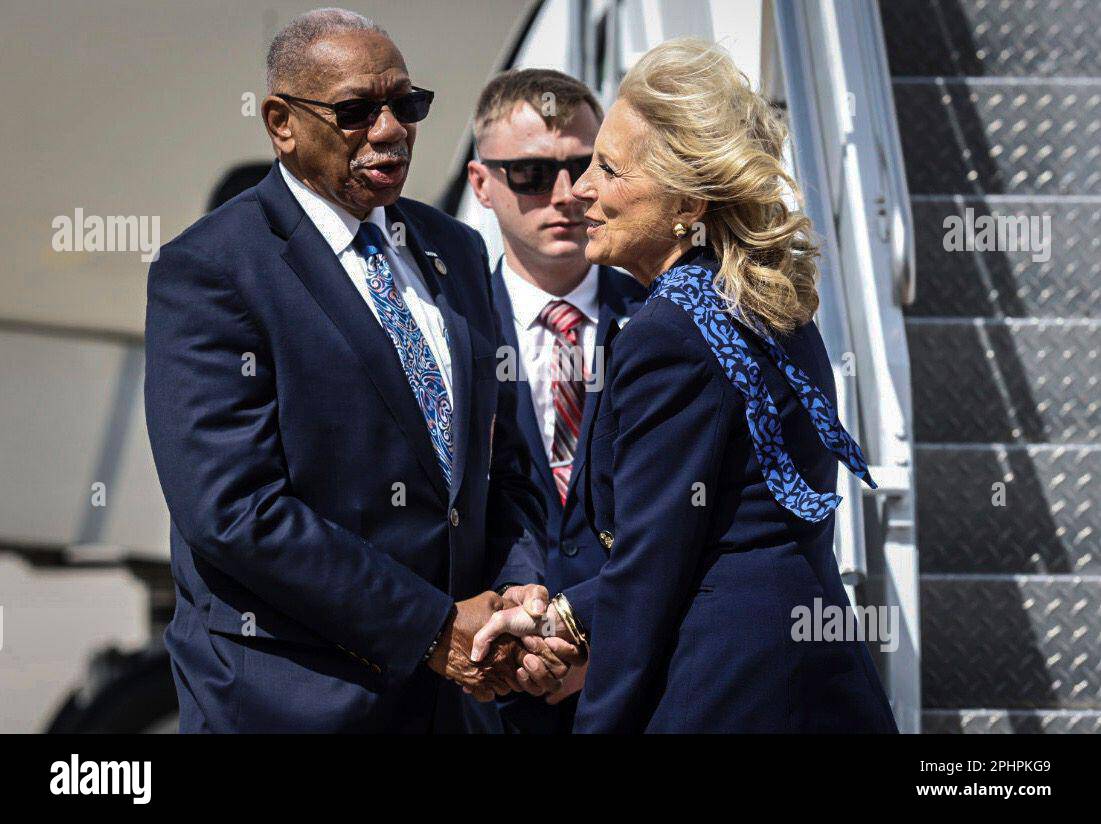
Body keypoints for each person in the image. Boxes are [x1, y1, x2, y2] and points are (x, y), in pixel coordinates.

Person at [144, 7, 566, 733]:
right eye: (355, 111)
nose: (389, 130)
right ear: (280, 122)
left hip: (454, 704)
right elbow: (235, 511)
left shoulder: (454, 250)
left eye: (406, 105)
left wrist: (520, 594)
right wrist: (432, 628)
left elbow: (503, 460)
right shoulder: (212, 270)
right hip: (295, 701)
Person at [473, 38, 899, 733]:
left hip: (724, 687)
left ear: (685, 200)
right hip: (802, 676)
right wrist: (569, 617)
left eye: (606, 169)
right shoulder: (763, 301)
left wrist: (597, 721)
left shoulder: (667, 332)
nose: (580, 190)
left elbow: (651, 568)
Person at [466, 68, 647, 731]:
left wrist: (602, 644)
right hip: (490, 695)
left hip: (642, 688)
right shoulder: (445, 336)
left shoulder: (669, 321)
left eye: (586, 165)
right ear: (481, 185)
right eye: (533, 175)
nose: (567, 195)